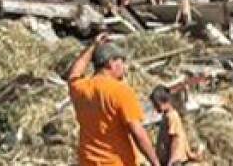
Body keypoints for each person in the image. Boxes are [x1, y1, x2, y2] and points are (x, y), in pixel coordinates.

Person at [67, 34, 162, 166]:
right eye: (121, 61)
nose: (124, 66)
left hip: (87, 161)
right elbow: (137, 132)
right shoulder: (121, 91)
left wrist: (92, 47)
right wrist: (156, 162)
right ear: (110, 62)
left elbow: (74, 73)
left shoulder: (80, 88)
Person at [149, 86, 193, 166]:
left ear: (164, 101)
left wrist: (171, 160)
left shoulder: (172, 116)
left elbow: (175, 138)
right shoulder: (166, 116)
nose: (155, 108)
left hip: (173, 160)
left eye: (156, 105)